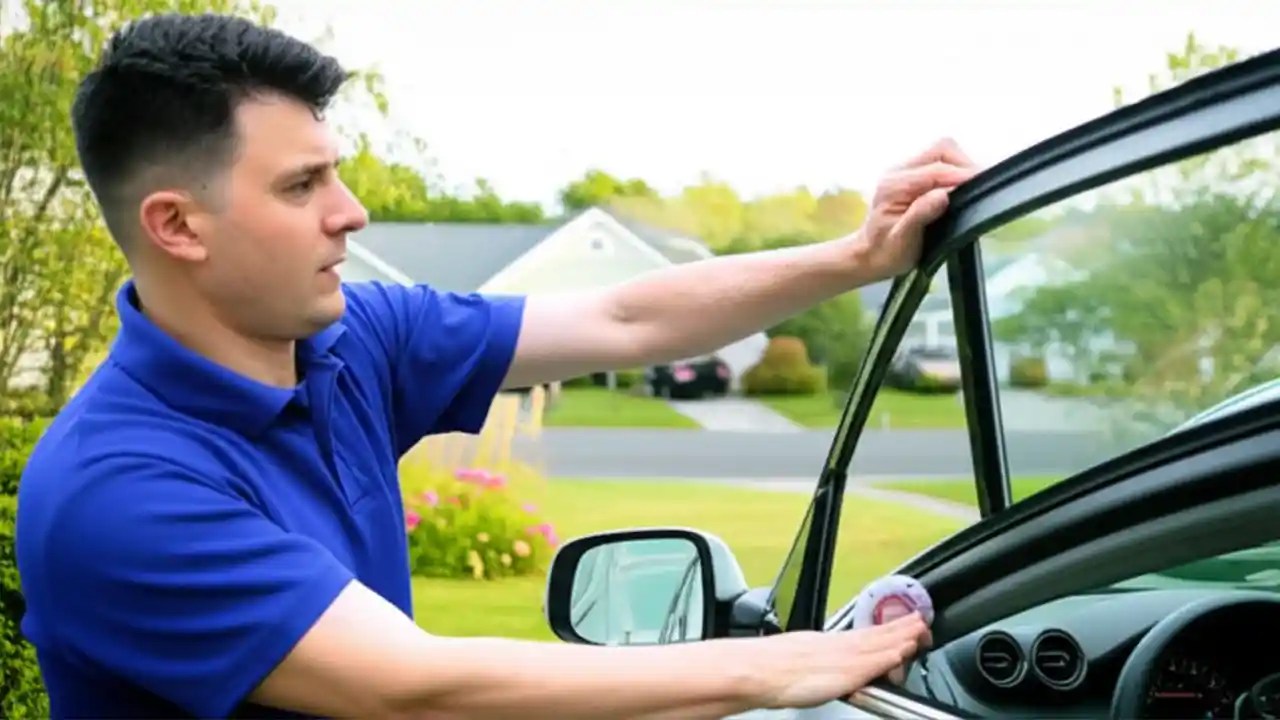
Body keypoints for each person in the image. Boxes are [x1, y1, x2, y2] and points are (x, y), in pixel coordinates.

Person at [14, 11, 977, 720]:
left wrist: (854, 259)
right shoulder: (116, 492)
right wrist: (780, 670)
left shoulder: (353, 340)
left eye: (336, 172)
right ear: (177, 225)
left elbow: (623, 313)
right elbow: (417, 686)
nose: (351, 213)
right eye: (302, 185)